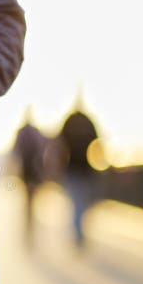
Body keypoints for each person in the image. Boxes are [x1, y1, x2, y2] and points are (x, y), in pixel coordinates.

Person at [57, 99, 100, 248]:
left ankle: (78, 233)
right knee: (82, 202)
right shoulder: (87, 120)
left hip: (72, 168)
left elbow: (60, 143)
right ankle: (79, 234)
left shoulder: (70, 120)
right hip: (85, 168)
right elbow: (97, 141)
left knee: (76, 202)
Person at [11, 107, 48, 244]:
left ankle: (28, 225)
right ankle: (30, 225)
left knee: (28, 199)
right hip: (34, 171)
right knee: (31, 198)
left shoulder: (21, 132)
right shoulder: (36, 132)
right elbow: (43, 149)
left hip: (26, 171)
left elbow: (15, 151)